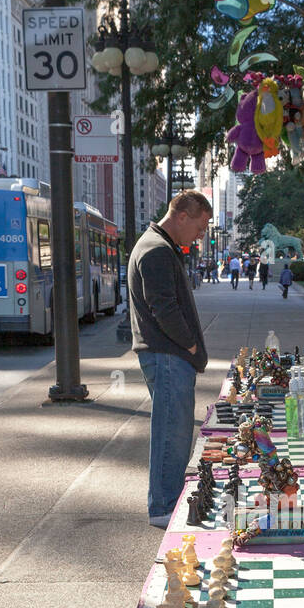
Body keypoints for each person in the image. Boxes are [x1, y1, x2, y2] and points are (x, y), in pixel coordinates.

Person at [128, 189, 213, 527]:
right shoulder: (157, 250)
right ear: (181, 217)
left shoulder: (158, 246)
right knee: (171, 432)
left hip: (168, 356)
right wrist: (190, 346)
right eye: (200, 225)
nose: (202, 234)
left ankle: (168, 500)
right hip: (168, 356)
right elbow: (163, 308)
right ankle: (163, 506)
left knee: (174, 431)